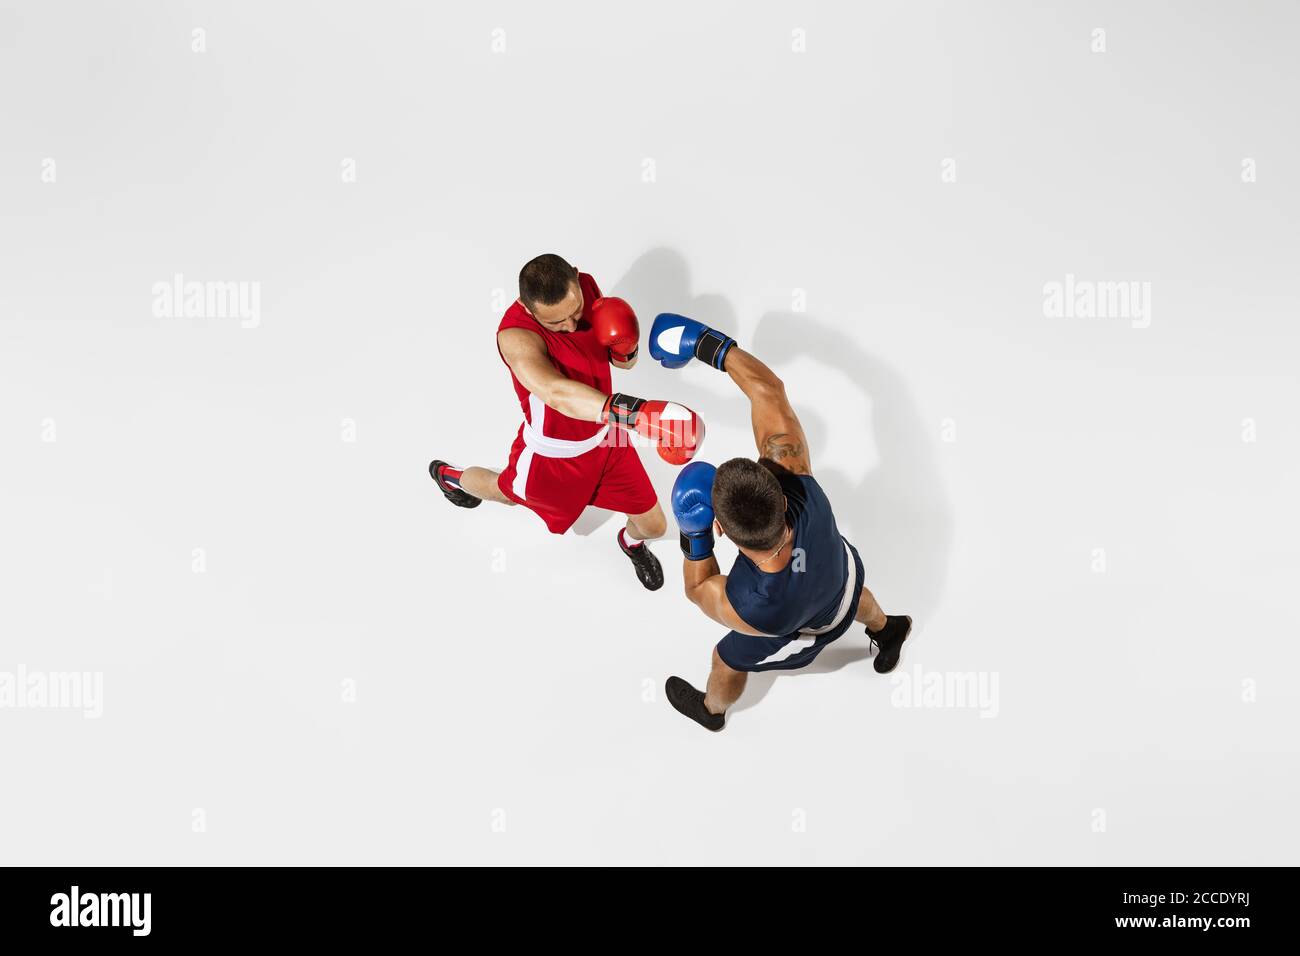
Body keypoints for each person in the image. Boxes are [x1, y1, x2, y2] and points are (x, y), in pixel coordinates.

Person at [648, 312, 912, 729]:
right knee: (851, 592)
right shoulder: (801, 482)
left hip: (804, 623)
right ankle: (887, 628)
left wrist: (693, 532)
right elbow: (768, 391)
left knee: (726, 659)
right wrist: (706, 344)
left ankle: (711, 710)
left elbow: (698, 589)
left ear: (723, 529)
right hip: (839, 571)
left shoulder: (755, 606)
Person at [429, 254, 704, 590]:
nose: (571, 326)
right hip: (553, 458)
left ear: (576, 277)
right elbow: (555, 392)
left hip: (607, 440)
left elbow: (620, 364)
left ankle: (630, 544)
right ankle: (451, 477)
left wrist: (626, 350)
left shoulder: (586, 286)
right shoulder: (516, 336)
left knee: (654, 526)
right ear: (529, 310)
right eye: (557, 324)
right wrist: (636, 413)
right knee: (504, 492)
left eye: (575, 313)